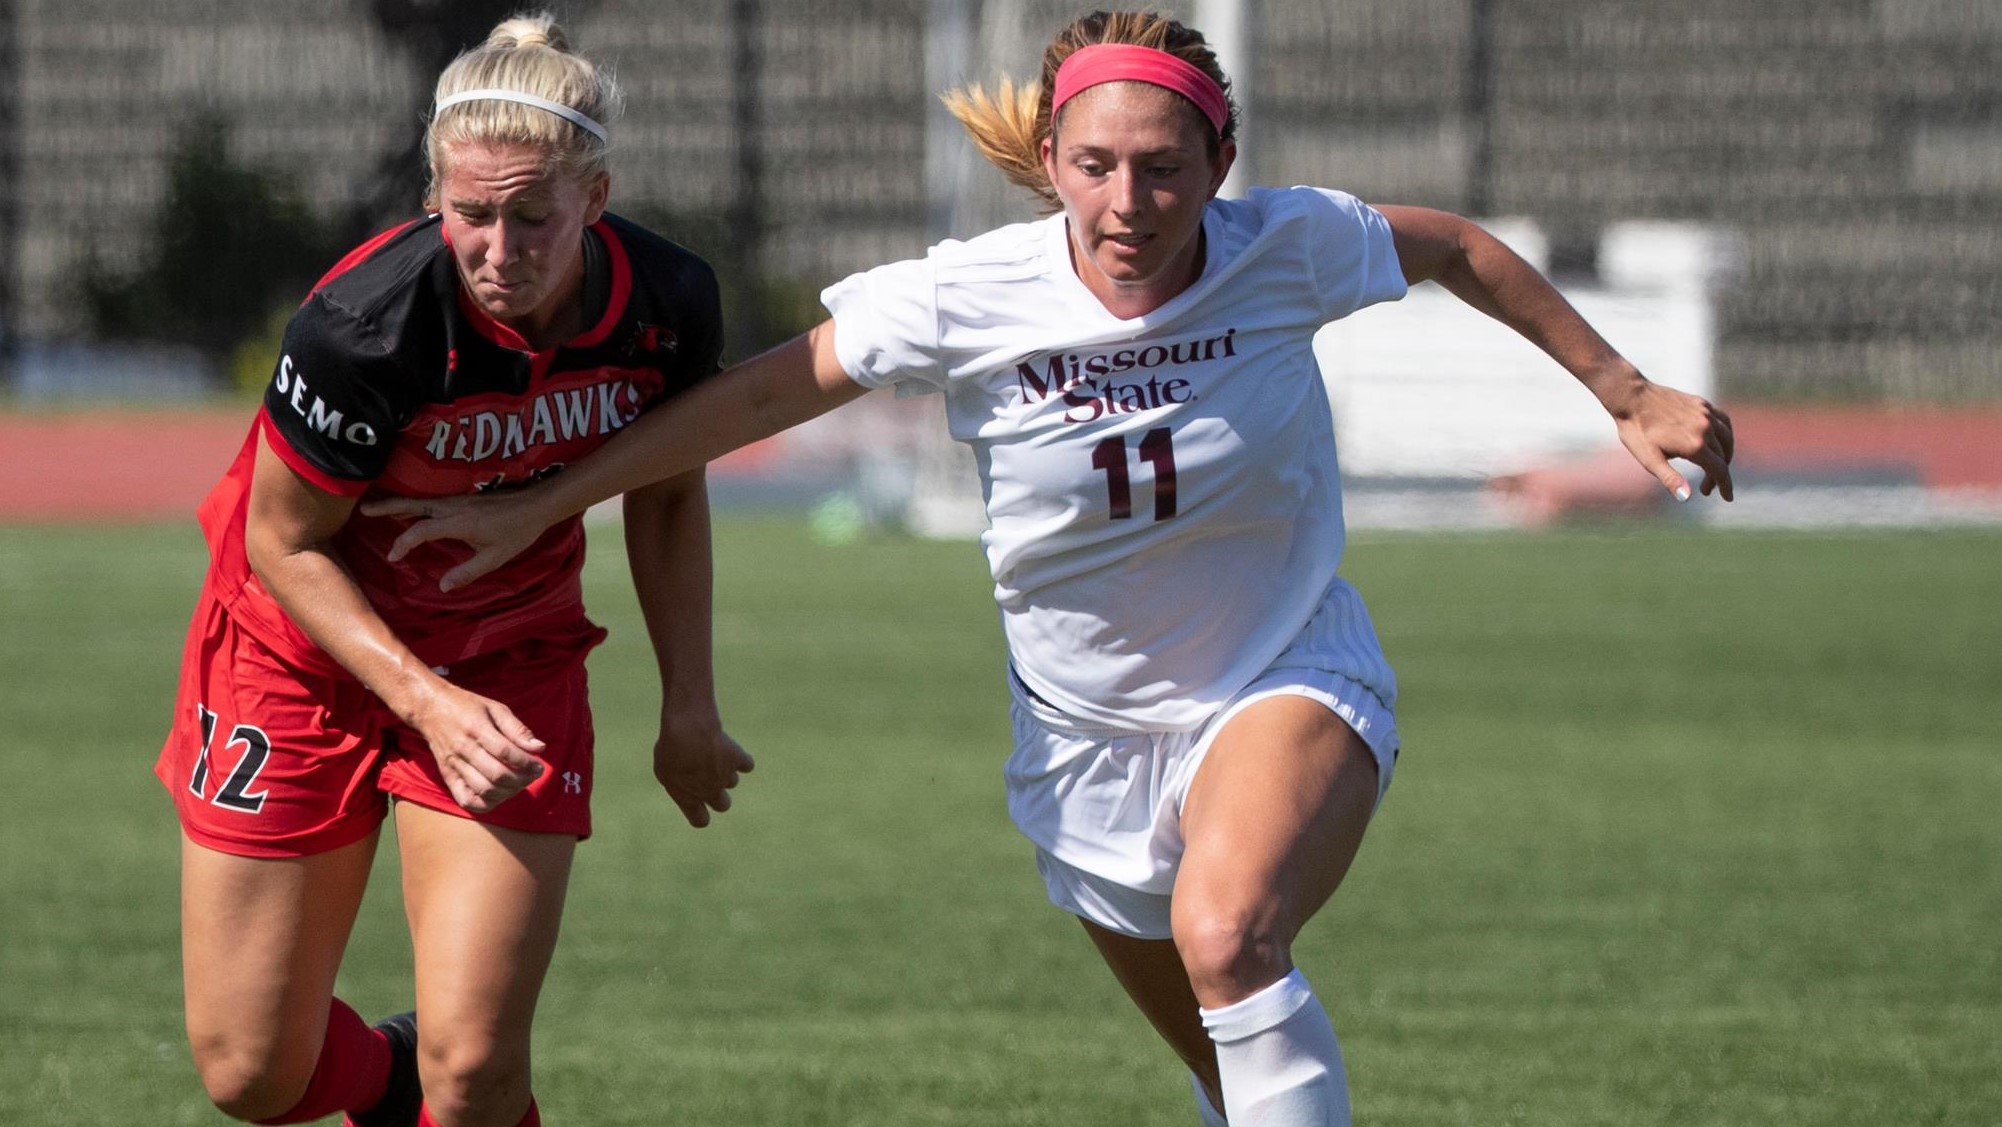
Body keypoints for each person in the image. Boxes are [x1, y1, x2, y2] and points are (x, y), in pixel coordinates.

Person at [366, 10, 1735, 1124]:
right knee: (1225, 1059)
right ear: (1050, 162)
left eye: (1163, 166)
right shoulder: (968, 295)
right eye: (1094, 165)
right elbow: (739, 406)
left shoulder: (1290, 246)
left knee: (1228, 932)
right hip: (1082, 738)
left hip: (1280, 669)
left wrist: (1622, 388)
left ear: (1220, 159)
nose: (1128, 200)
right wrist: (539, 505)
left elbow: (1454, 248)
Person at [154, 14, 752, 1127]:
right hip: (297, 656)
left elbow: (668, 487)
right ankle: (386, 1081)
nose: (500, 248)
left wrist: (689, 704)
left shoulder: (666, 300)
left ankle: (440, 1086)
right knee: (251, 1071)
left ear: (595, 198)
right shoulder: (363, 328)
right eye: (472, 214)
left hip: (507, 655)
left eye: (534, 216)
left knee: (474, 1069)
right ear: (433, 196)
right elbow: (283, 543)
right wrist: (423, 699)